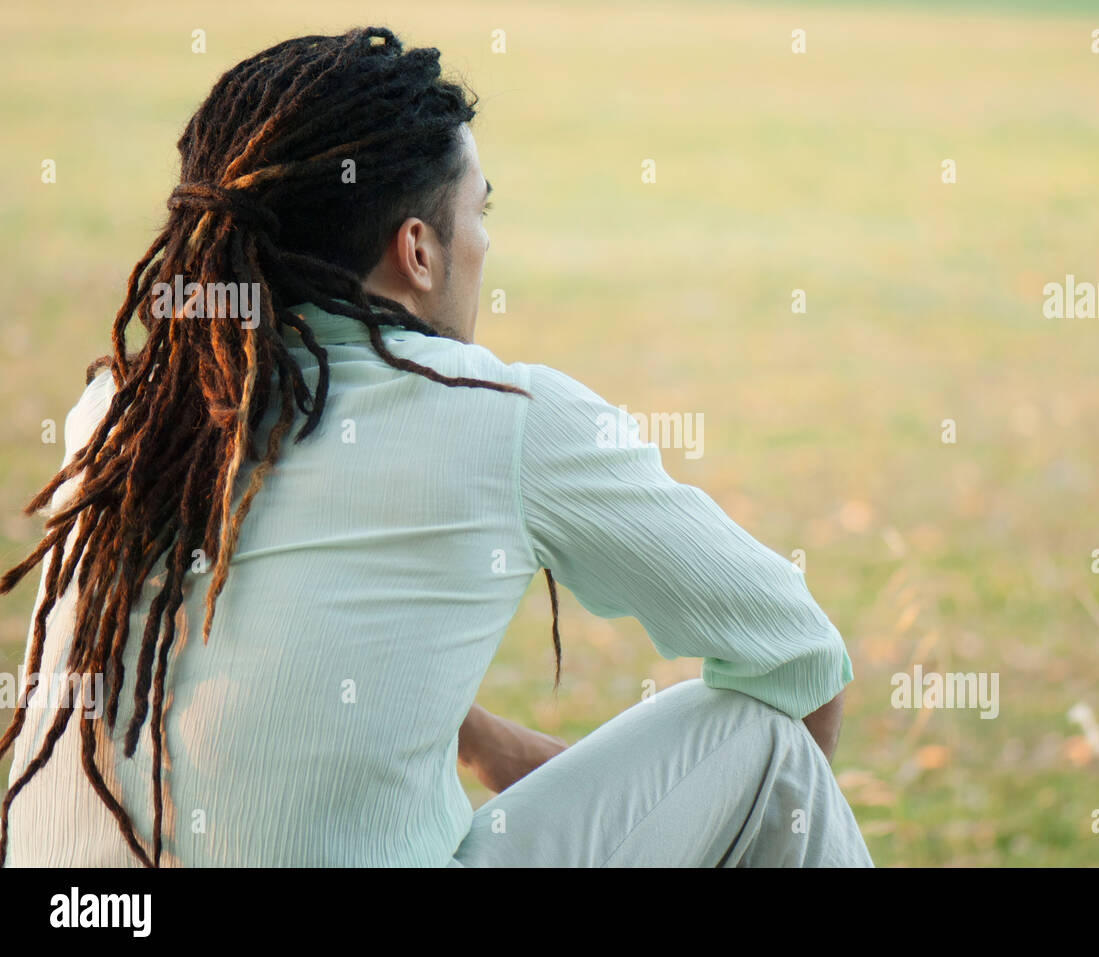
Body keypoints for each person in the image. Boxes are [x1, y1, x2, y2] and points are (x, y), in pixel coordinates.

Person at [0, 26, 872, 867]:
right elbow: (800, 654)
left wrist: (484, 740)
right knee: (769, 747)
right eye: (478, 210)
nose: (485, 241)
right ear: (417, 250)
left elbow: (264, 634)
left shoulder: (127, 410)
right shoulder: (503, 414)